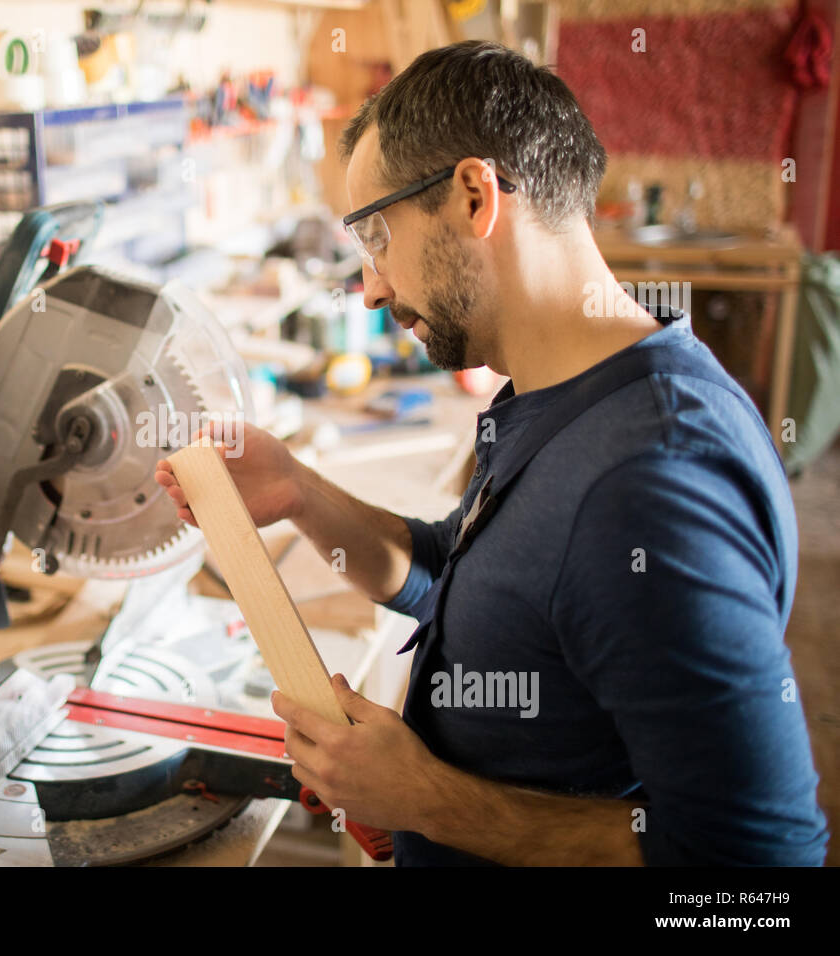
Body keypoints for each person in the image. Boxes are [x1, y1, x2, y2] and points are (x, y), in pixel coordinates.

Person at [154, 41, 828, 866]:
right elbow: (462, 581)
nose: (368, 285)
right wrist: (298, 491)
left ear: (475, 196)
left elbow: (760, 866)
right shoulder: (562, 388)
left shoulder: (652, 483)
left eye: (377, 234)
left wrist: (429, 801)